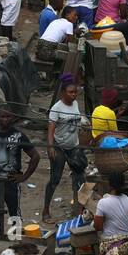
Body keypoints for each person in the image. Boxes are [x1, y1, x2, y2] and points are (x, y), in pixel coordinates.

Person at [0, 109, 40, 233]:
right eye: (2, 117)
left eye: (8, 116)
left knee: (14, 213)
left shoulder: (19, 135)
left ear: (12, 118)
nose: (5, 119)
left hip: (11, 181)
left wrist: (24, 177)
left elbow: (35, 156)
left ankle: (16, 239)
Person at [42, 76, 87, 222]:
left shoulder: (75, 105)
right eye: (70, 92)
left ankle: (79, 210)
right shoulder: (56, 108)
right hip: (59, 147)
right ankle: (45, 211)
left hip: (74, 146)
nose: (73, 95)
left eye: (75, 92)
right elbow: (51, 129)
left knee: (80, 178)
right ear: (63, 92)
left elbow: (77, 122)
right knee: (55, 179)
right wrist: (50, 147)